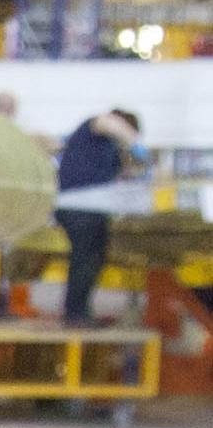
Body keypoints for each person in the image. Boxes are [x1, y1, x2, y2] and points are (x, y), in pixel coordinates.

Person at [48, 107, 141, 325]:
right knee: (84, 258)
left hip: (93, 209)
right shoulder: (94, 128)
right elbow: (108, 124)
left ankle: (81, 311)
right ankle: (75, 314)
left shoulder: (108, 148)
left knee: (94, 258)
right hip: (78, 207)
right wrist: (136, 142)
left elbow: (119, 175)